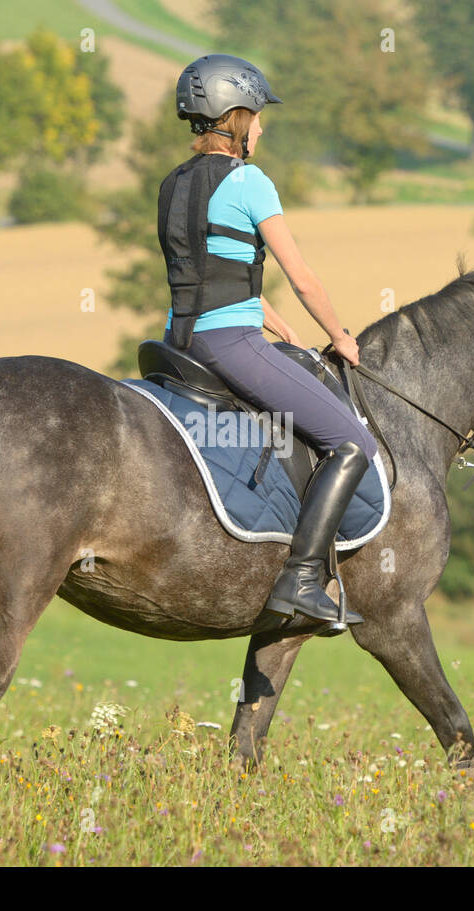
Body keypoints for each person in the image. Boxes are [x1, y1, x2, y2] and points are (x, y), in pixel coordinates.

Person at [158, 54, 378, 633]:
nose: (262, 127)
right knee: (352, 441)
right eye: (256, 115)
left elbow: (203, 269)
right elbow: (304, 277)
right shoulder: (249, 181)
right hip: (226, 343)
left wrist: (266, 311)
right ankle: (303, 579)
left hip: (175, 338)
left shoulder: (172, 183)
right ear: (234, 116)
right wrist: (341, 336)